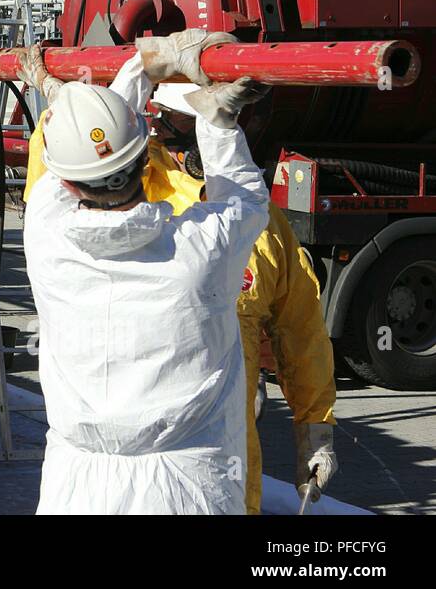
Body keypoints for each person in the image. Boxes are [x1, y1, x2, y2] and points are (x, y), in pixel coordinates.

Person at [17, 30, 269, 513]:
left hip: (77, 485)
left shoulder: (45, 235)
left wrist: (140, 69)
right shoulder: (198, 248)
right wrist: (213, 120)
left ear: (68, 182)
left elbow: (78, 162)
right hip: (188, 486)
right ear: (145, 155)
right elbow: (247, 200)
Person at [149, 84, 337, 513]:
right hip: (149, 466)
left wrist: (315, 432)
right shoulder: (134, 201)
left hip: (229, 470)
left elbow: (302, 331)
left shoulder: (261, 223)